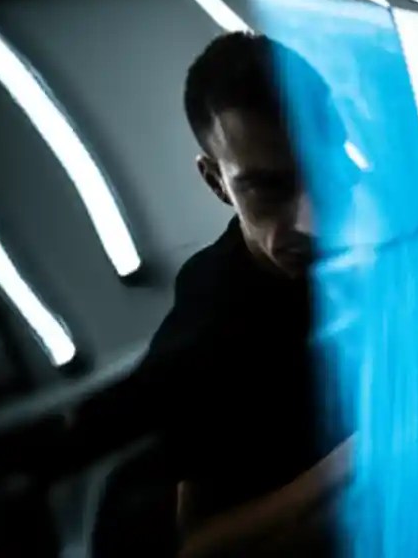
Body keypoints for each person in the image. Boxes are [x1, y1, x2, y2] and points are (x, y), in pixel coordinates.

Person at [137, 31, 355, 557]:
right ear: (217, 182)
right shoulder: (205, 332)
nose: (310, 220)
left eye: (321, 174)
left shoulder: (386, 218)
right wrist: (370, 455)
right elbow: (199, 547)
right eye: (267, 187)